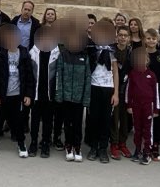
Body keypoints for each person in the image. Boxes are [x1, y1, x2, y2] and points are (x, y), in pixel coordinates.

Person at [0, 25, 35, 157]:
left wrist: (28, 94)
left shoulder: (23, 54)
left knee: (19, 120)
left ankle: (21, 143)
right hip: (4, 94)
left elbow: (29, 76)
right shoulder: (2, 54)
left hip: (18, 95)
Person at [55, 21, 92, 163]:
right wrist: (59, 94)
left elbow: (88, 78)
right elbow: (59, 75)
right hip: (65, 96)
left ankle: (77, 146)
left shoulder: (85, 57)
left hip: (78, 97)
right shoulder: (63, 55)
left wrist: (86, 98)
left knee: (77, 123)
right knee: (67, 123)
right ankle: (68, 145)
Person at [86, 19, 119, 164]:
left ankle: (103, 148)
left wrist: (116, 92)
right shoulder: (92, 46)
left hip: (108, 87)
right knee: (94, 119)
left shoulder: (113, 48)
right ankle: (93, 147)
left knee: (106, 120)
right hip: (93, 85)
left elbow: (116, 72)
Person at [29, 25, 59, 158]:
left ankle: (46, 142)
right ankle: (34, 142)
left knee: (48, 120)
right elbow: (29, 73)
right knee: (34, 119)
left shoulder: (57, 53)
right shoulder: (33, 51)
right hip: (36, 92)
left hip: (50, 93)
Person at [125, 48, 160, 165]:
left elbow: (156, 93)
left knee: (147, 130)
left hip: (148, 106)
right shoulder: (132, 74)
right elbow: (129, 90)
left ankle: (147, 152)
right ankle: (138, 150)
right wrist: (129, 104)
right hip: (136, 105)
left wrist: (156, 108)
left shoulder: (152, 75)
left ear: (147, 60)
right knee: (137, 129)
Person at [110, 24, 133, 159]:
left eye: (125, 36)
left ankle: (122, 143)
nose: (123, 38)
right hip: (113, 89)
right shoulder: (111, 50)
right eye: (121, 35)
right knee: (114, 117)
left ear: (129, 38)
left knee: (125, 119)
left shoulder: (131, 52)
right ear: (116, 36)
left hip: (127, 90)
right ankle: (113, 143)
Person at [143, 28, 160, 160]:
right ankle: (144, 145)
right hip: (143, 91)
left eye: (153, 38)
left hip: (157, 91)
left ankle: (155, 145)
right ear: (145, 40)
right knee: (143, 118)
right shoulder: (140, 54)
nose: (151, 41)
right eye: (149, 38)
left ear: (157, 40)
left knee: (157, 118)